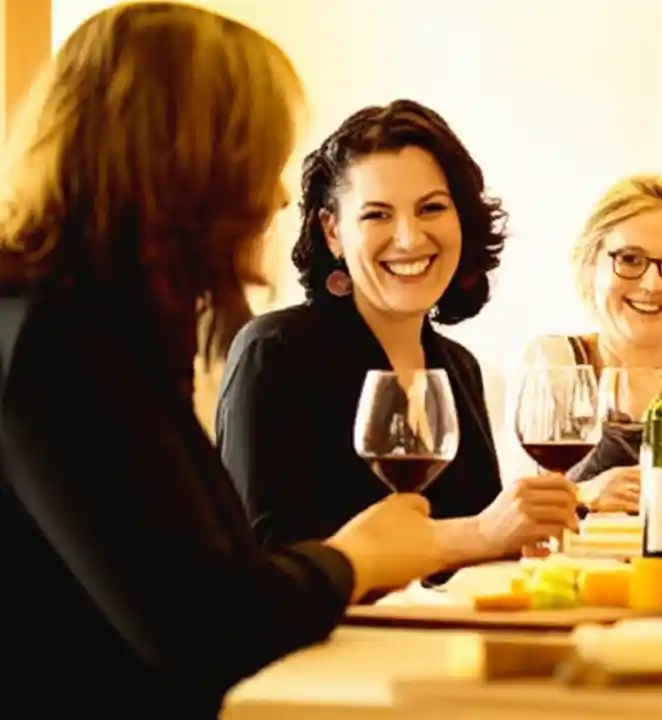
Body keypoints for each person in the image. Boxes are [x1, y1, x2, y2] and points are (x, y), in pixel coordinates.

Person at [0, 4, 444, 715]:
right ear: (187, 170)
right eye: (258, 164)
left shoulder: (102, 325)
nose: (275, 196)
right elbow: (209, 629)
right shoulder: (59, 340)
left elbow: (207, 578)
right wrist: (356, 559)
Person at [217, 99, 580, 563]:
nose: (409, 238)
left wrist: (529, 528)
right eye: (377, 215)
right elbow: (273, 561)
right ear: (333, 231)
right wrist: (478, 535)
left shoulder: (459, 367)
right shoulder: (275, 352)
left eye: (431, 208)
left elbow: (482, 555)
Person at [517, 174, 662, 513]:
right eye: (630, 259)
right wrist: (584, 494)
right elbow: (511, 510)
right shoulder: (556, 364)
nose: (653, 284)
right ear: (590, 264)